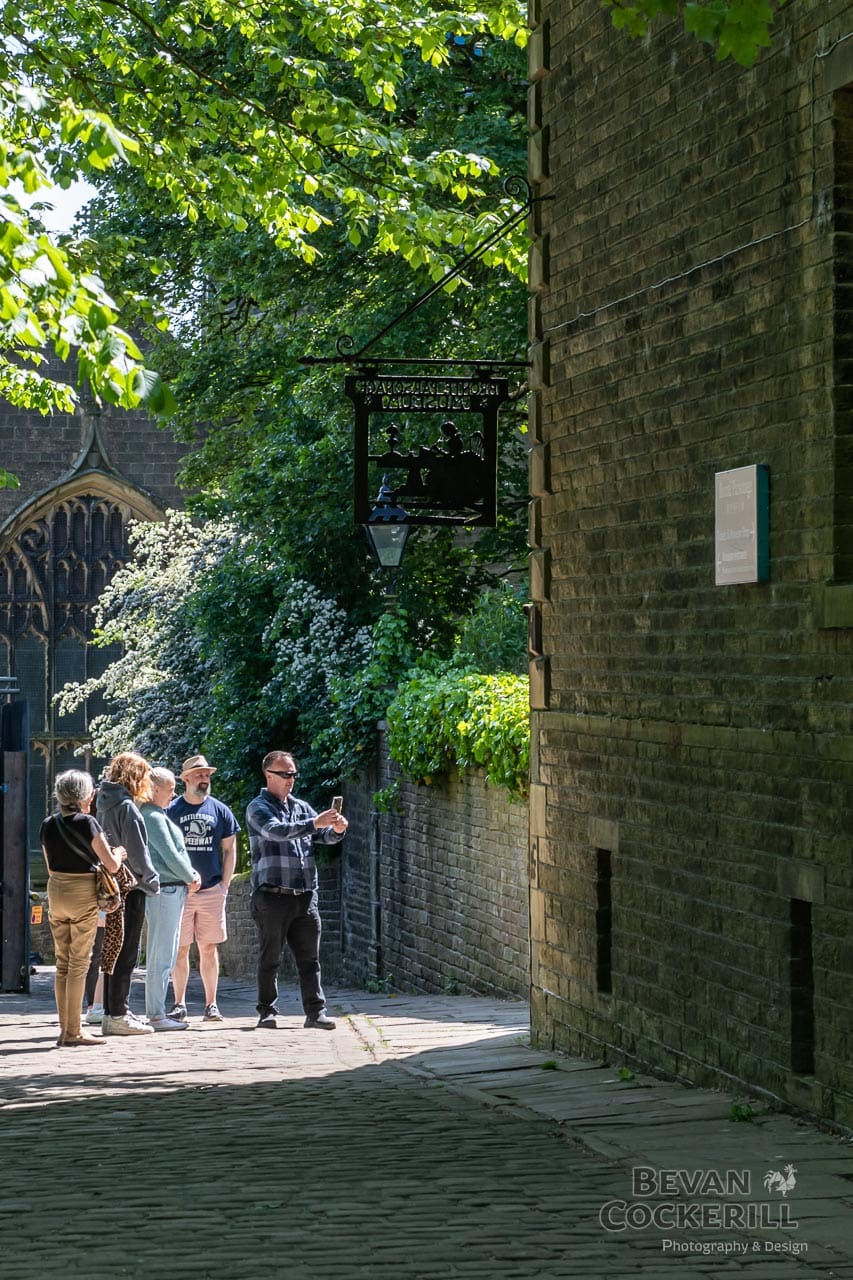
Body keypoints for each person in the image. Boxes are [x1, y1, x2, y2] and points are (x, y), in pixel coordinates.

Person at [246, 751, 347, 1031]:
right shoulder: (257, 807)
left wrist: (337, 829)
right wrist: (316, 823)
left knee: (310, 959)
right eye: (285, 774)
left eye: (293, 775)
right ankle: (267, 1011)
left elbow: (322, 837)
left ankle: (316, 1012)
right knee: (270, 958)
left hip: (304, 895)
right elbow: (277, 832)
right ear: (269, 776)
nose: (291, 780)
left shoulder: (301, 807)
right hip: (272, 895)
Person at [39, 769, 124, 1047]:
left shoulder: (48, 824)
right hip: (81, 891)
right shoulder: (88, 823)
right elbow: (110, 865)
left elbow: (50, 867)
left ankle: (65, 1029)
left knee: (62, 963)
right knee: (79, 963)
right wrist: (119, 854)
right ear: (83, 795)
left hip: (57, 891)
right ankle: (74, 1032)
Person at [167, 754, 239, 1023]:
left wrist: (225, 885)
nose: (204, 779)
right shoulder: (172, 810)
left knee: (208, 947)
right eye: (199, 775)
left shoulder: (220, 810)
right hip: (180, 891)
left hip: (210, 890)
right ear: (185, 779)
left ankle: (211, 1005)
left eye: (207, 775)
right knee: (181, 948)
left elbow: (230, 849)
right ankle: (179, 1004)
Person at [96, 752, 161, 1035]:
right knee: (127, 951)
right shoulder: (127, 808)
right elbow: (137, 852)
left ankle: (113, 1011)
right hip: (131, 886)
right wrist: (152, 880)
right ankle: (118, 1014)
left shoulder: (102, 804)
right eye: (144, 776)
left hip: (110, 885)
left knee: (112, 949)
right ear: (135, 777)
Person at [141, 768, 202, 1031]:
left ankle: (157, 1012)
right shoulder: (152, 816)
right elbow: (168, 854)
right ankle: (155, 1014)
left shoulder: (156, 814)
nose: (173, 794)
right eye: (170, 788)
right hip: (165, 890)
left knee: (166, 951)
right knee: (161, 953)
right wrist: (190, 875)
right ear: (155, 789)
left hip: (170, 890)